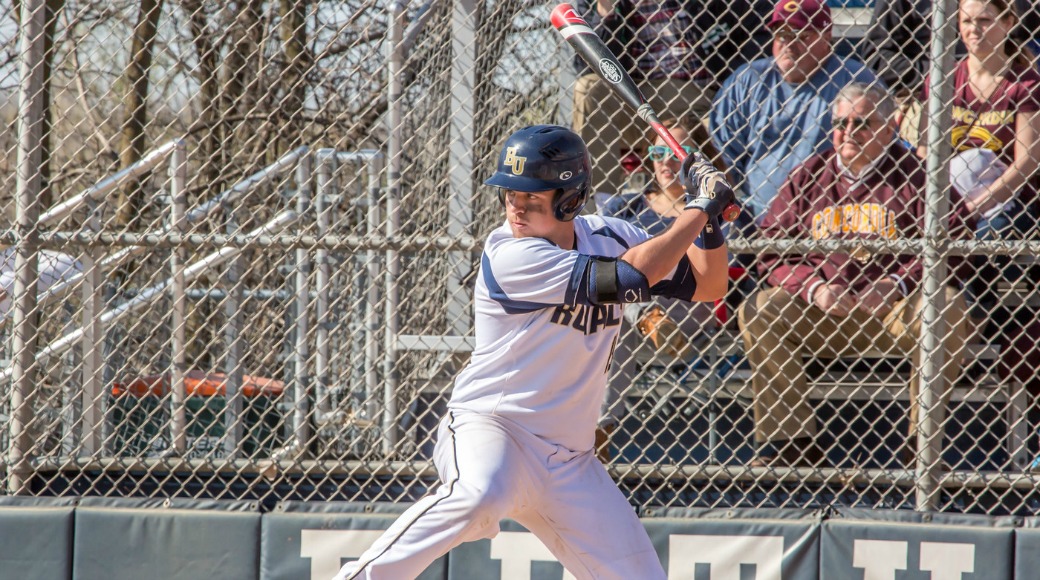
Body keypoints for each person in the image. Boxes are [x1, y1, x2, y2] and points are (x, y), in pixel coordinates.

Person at [333, 124, 732, 579]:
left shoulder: (613, 234)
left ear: (569, 199)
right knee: (477, 495)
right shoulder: (511, 255)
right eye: (510, 195)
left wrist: (710, 218)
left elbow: (709, 284)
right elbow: (628, 279)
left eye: (532, 198)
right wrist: (700, 205)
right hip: (496, 429)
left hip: (571, 461)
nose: (516, 207)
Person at [737, 83, 970, 468]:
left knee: (946, 306)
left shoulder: (916, 175)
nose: (848, 132)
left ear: (889, 126)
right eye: (840, 123)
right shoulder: (809, 175)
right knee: (759, 309)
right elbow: (770, 249)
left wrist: (896, 283)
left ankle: (922, 446)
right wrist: (812, 288)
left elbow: (958, 240)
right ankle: (792, 442)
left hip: (895, 313)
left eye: (862, 123)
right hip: (822, 312)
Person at [595, 117, 721, 459]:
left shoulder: (710, 205)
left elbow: (715, 272)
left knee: (621, 302)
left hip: (689, 303)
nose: (666, 161)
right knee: (617, 309)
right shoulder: (628, 206)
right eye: (657, 151)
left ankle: (599, 428)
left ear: (697, 158)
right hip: (635, 307)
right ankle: (648, 317)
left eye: (676, 151)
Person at [919, 0, 1040, 342]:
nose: (974, 30)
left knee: (984, 235)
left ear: (1008, 22)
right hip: (948, 197)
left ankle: (968, 330)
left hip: (1008, 203)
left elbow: (1026, 163)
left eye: (986, 20)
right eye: (967, 20)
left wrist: (973, 208)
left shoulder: (1026, 84)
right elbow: (924, 153)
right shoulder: (943, 80)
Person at [710, 0, 882, 225]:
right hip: (754, 217)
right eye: (782, 35)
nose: (789, 45)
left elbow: (880, 150)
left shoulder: (855, 81)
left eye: (802, 36)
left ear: (826, 36)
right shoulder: (746, 81)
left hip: (833, 217)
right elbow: (722, 156)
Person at [571, 0, 759, 196]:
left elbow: (755, 28)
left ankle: (732, 209)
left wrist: (732, 82)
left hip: (701, 98)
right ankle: (601, 206)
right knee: (588, 88)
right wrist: (606, 12)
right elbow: (587, 68)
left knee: (729, 131)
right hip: (637, 98)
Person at [861, 0, 1040, 149]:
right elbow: (877, 56)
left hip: (1004, 82)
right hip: (921, 91)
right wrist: (939, 73)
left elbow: (1026, 28)